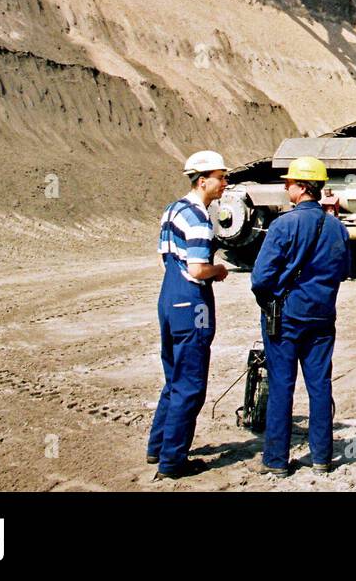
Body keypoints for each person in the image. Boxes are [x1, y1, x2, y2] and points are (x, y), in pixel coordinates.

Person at [250, 156, 350, 475]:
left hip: (286, 318)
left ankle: (276, 461)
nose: (285, 186)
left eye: (289, 182)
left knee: (282, 385)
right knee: (320, 385)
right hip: (322, 317)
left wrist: (269, 301)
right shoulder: (337, 227)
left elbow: (260, 279)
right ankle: (321, 458)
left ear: (303, 187)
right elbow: (344, 270)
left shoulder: (283, 224)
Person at [146, 150, 229, 479]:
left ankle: (158, 447)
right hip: (192, 304)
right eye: (221, 177)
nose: (225, 183)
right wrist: (218, 270)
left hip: (168, 300)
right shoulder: (198, 218)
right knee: (191, 385)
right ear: (203, 180)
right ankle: (173, 463)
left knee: (174, 380)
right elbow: (197, 268)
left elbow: (165, 258)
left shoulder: (172, 210)